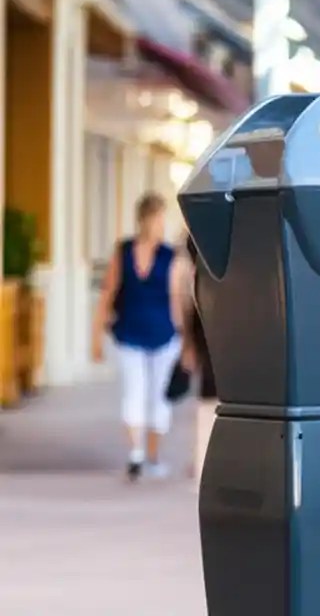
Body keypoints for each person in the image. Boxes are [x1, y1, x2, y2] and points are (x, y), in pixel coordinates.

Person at [92, 192, 186, 481]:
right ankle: (136, 454)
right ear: (143, 219)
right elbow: (108, 293)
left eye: (161, 218)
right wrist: (95, 336)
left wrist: (186, 341)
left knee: (159, 396)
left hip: (164, 335)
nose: (159, 224)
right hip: (129, 333)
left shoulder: (171, 256)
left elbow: (176, 299)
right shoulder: (123, 251)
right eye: (155, 218)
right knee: (134, 391)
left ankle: (153, 457)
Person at [179, 235, 216, 487]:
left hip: (206, 339)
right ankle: (204, 464)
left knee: (207, 405)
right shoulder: (216, 275)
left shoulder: (196, 277)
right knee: (210, 404)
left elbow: (188, 311)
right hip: (217, 340)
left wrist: (188, 345)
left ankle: (203, 463)